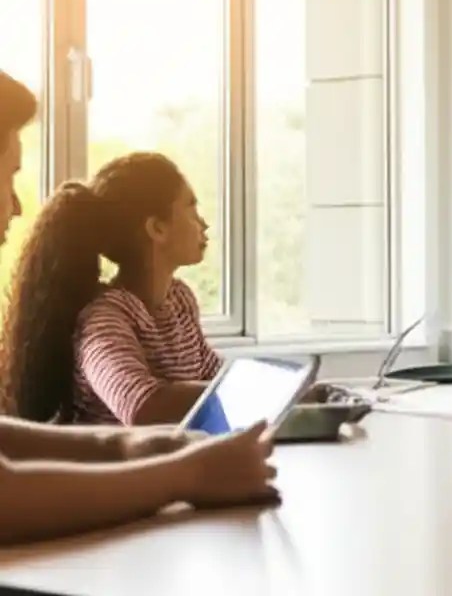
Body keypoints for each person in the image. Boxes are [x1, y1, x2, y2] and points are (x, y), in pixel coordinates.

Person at [0, 71, 277, 545]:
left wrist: (139, 446)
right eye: (9, 175)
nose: (17, 205)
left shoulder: (180, 302)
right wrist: (184, 473)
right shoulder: (106, 317)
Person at [0, 150, 220, 425]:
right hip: (114, 467)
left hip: (168, 465)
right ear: (157, 228)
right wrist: (237, 390)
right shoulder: (103, 319)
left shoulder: (180, 301)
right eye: (191, 208)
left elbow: (217, 376)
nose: (203, 224)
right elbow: (141, 407)